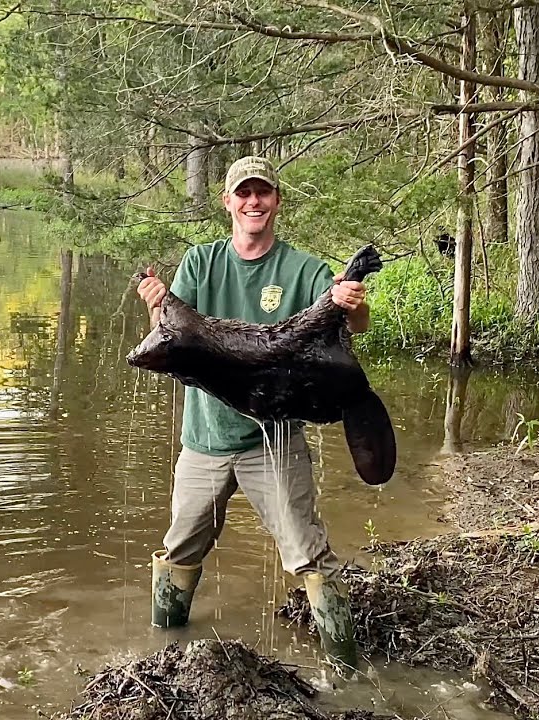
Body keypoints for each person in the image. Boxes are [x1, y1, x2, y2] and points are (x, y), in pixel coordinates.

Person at [136, 156, 370, 658]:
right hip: (206, 437)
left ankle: (346, 667)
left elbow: (350, 329)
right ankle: (164, 648)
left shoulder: (303, 269)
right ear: (228, 203)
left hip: (277, 438)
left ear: (276, 201)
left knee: (309, 554)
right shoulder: (201, 262)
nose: (253, 202)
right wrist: (155, 303)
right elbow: (174, 336)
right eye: (243, 193)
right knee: (181, 546)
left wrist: (353, 304)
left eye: (262, 192)